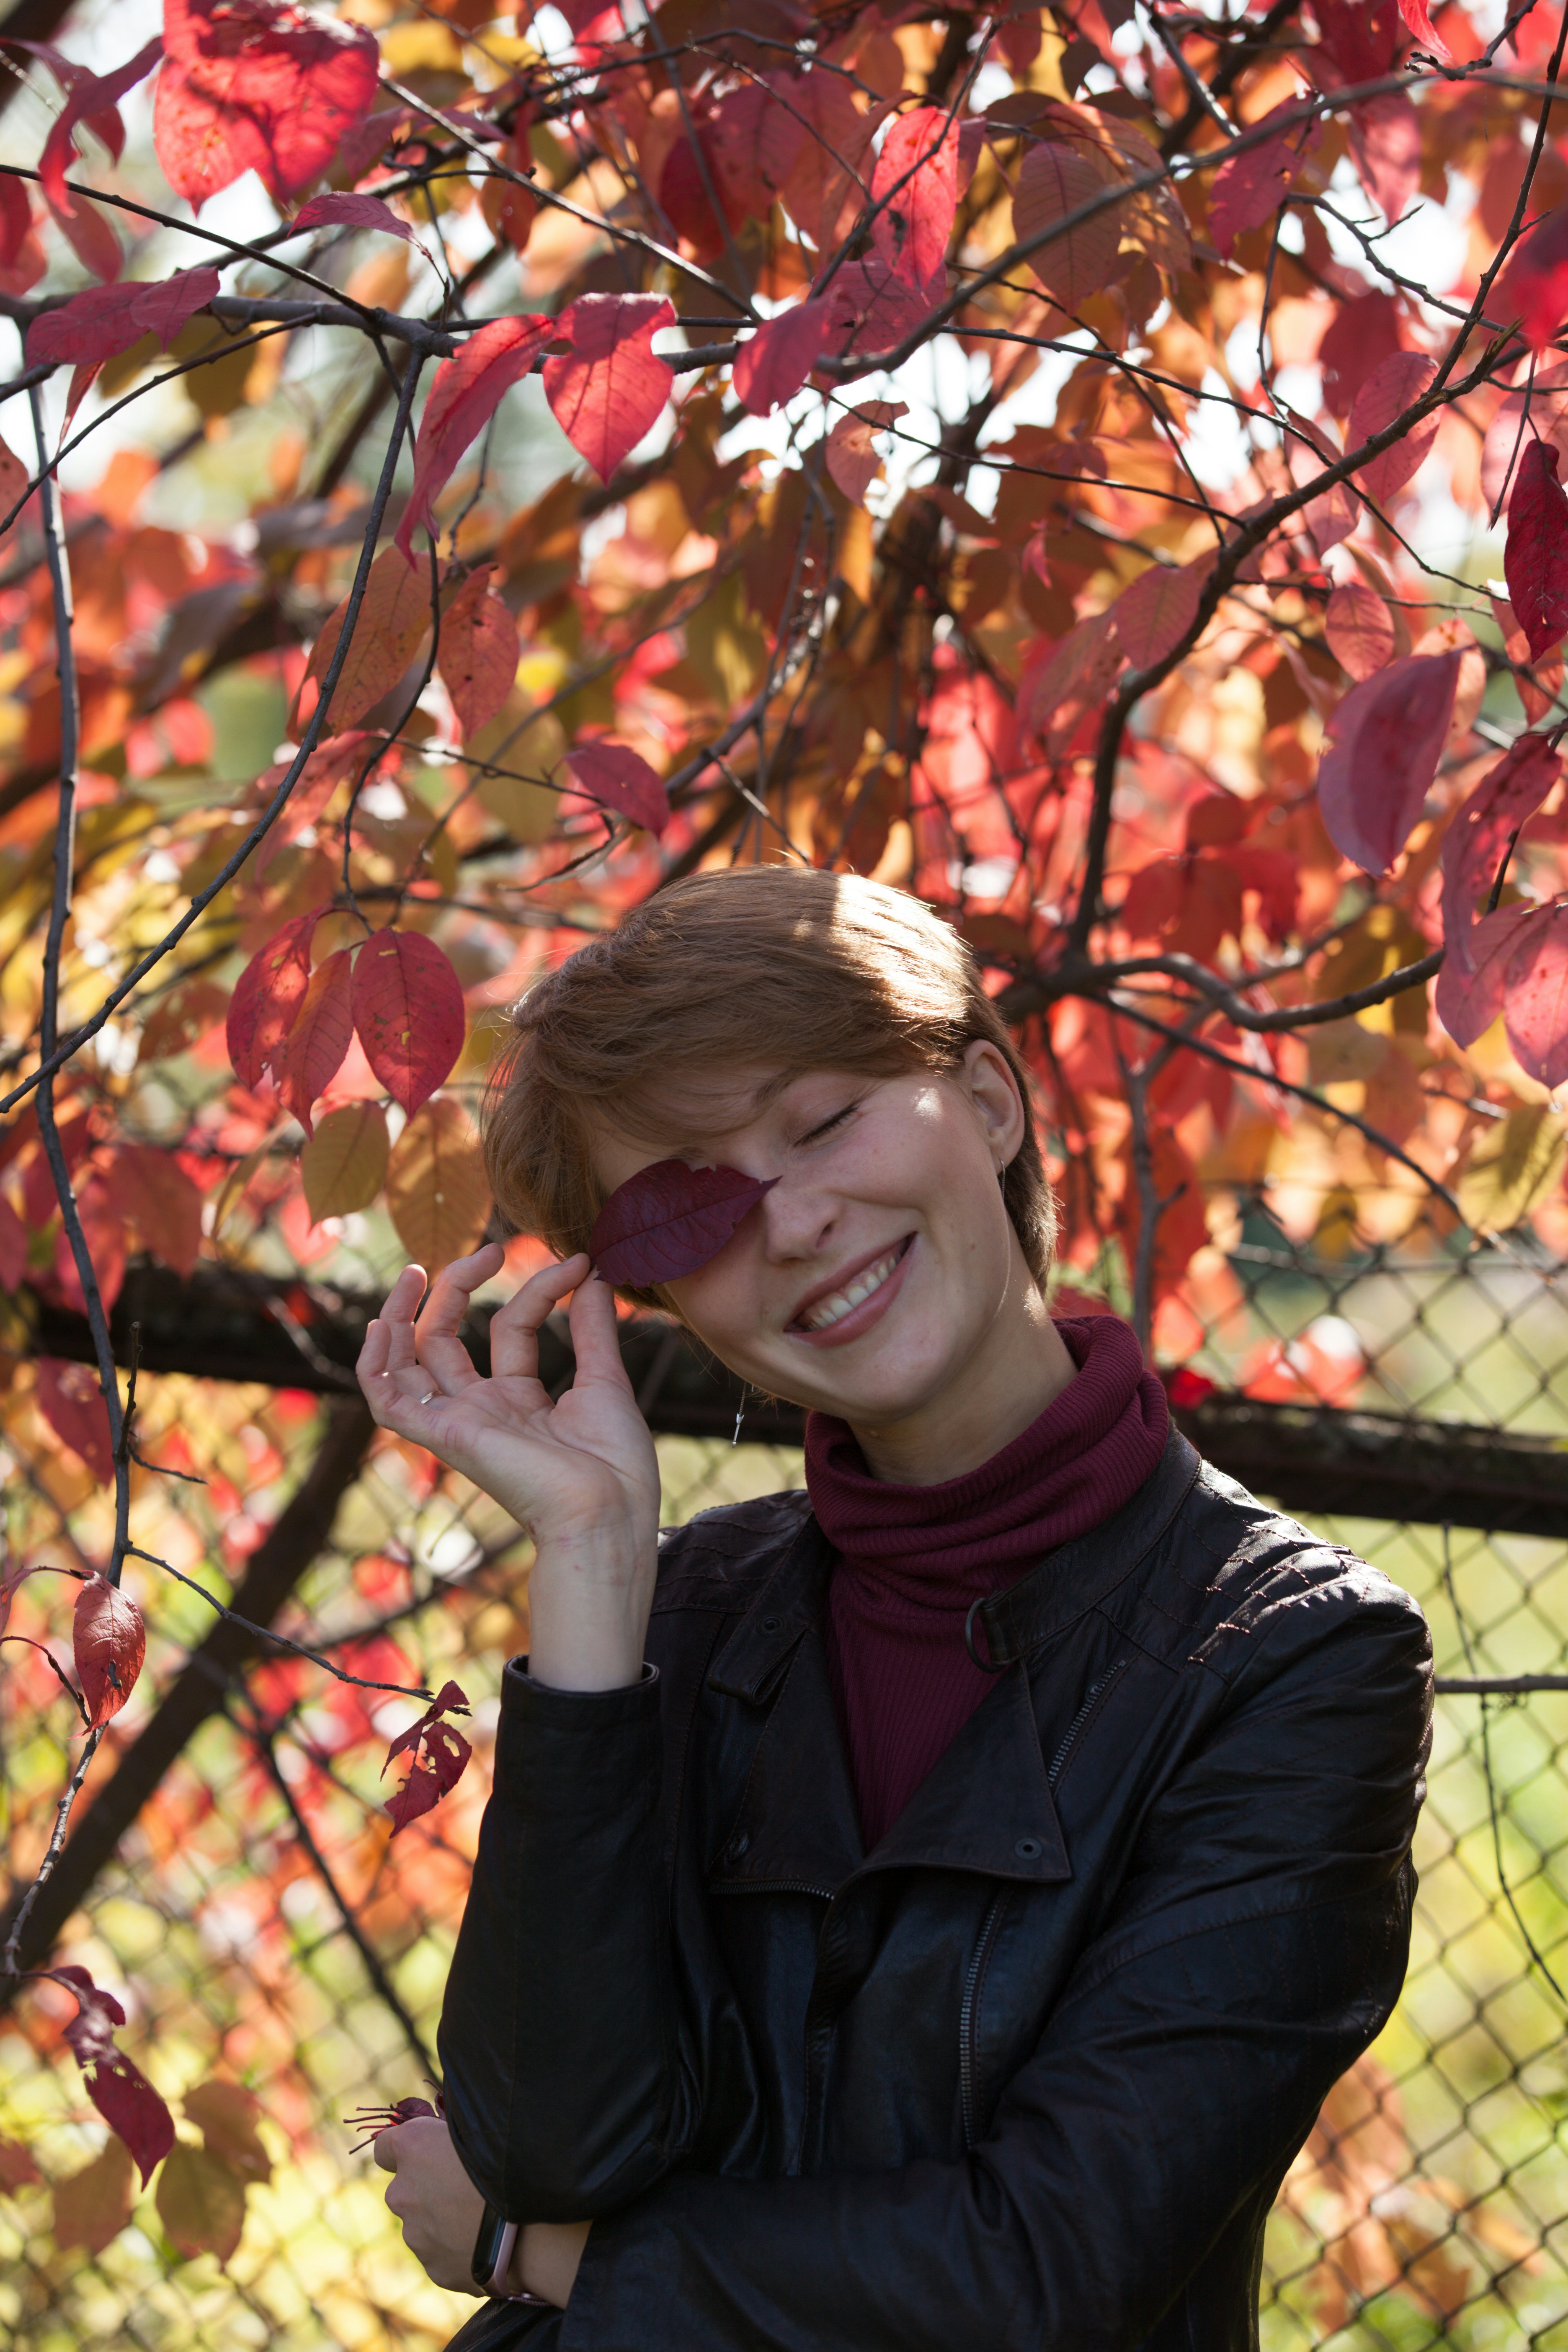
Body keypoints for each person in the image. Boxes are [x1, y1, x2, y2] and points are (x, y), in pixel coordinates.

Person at [358, 866, 1431, 2351]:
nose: (792, 1221)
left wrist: (547, 2260)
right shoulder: (690, 1608)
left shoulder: (1293, 1658)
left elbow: (1051, 2274)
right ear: (659, 1304)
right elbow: (551, 2146)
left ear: (988, 1101)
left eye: (825, 1121)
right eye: (698, 1206)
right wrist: (596, 1568)